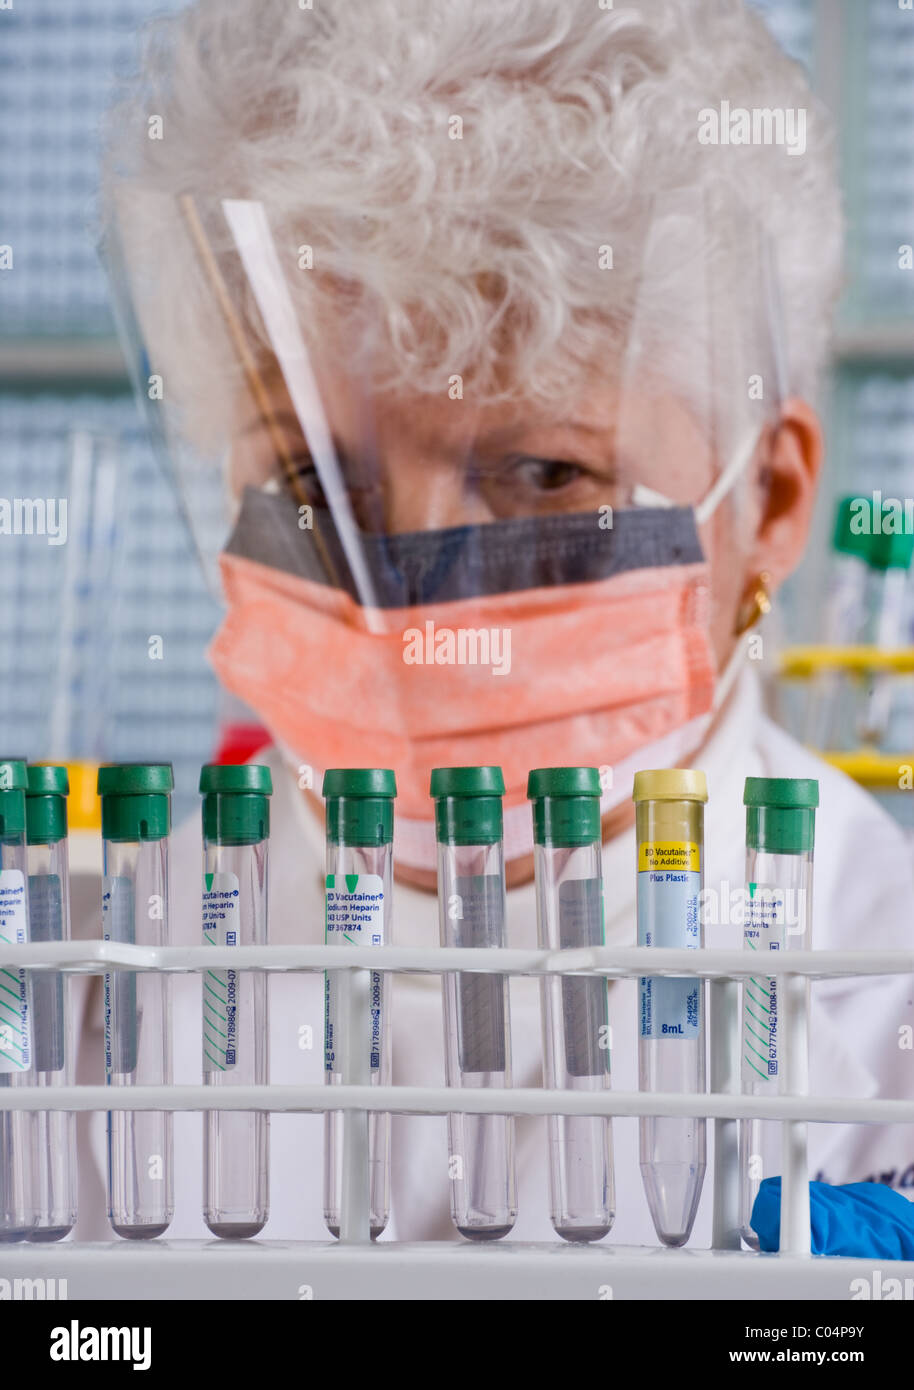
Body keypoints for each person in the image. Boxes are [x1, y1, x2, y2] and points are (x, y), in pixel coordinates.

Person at [74, 0, 914, 1244]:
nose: (406, 605)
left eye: (540, 475)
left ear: (772, 502)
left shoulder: (878, 994)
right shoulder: (78, 997)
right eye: (314, 487)